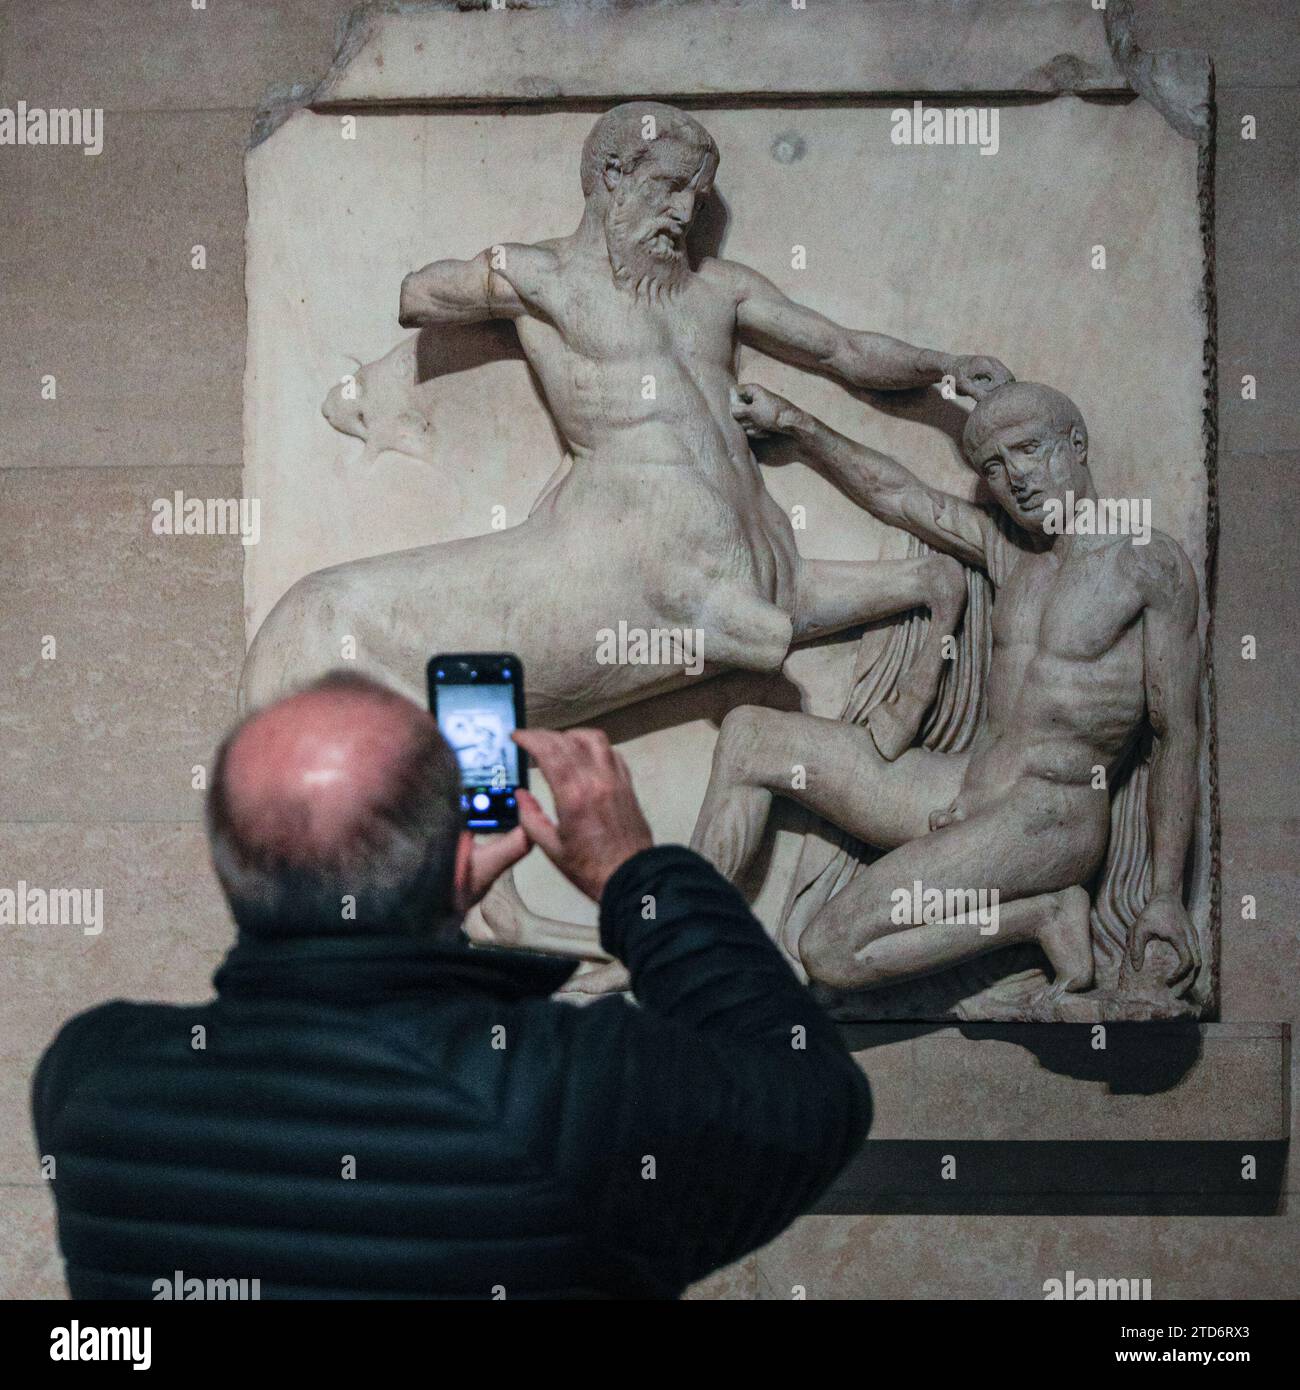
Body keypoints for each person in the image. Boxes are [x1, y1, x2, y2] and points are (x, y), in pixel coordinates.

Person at [33, 671, 871, 1300]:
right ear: (463, 854)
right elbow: (813, 1089)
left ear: (230, 863)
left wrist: (423, 904)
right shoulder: (564, 1092)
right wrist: (633, 873)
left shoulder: (91, 1079)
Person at [688, 380, 1201, 1000]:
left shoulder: (1147, 563)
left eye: (1028, 449)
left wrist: (1166, 895)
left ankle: (1038, 916)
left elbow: (1175, 734)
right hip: (960, 784)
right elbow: (898, 494)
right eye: (994, 467)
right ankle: (676, 949)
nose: (1016, 478)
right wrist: (797, 424)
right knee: (750, 736)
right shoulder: (1015, 558)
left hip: (1047, 817)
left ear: (1076, 444)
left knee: (830, 950)